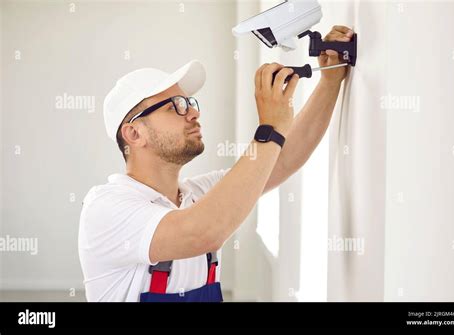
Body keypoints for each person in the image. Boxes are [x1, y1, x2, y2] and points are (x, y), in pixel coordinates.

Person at [78, 26, 354, 302]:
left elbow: (281, 159)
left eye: (189, 102)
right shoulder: (106, 207)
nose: (193, 112)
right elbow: (202, 232)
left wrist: (329, 82)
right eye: (175, 106)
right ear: (134, 134)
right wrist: (269, 128)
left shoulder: (200, 195)